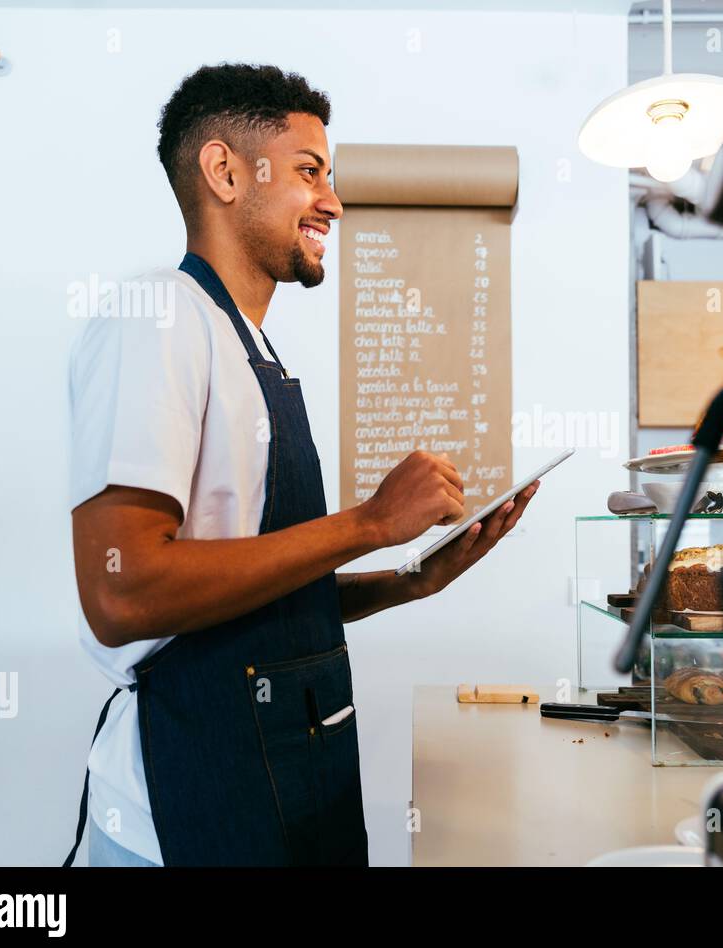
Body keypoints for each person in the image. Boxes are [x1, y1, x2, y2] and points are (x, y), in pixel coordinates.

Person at [64, 63, 535, 866]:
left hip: (285, 773)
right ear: (223, 172)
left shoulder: (249, 349)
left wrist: (406, 579)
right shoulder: (158, 317)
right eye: (309, 171)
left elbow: (253, 599)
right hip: (183, 808)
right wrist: (369, 524)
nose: (334, 201)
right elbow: (122, 589)